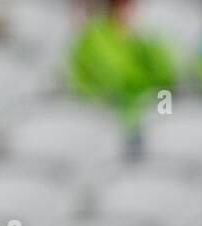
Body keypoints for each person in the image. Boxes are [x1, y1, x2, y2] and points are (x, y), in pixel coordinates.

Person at [68, 0, 176, 129]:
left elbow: (167, 71)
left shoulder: (141, 39)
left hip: (138, 112)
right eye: (124, 6)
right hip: (102, 115)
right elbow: (118, 79)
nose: (130, 11)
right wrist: (146, 81)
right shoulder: (94, 37)